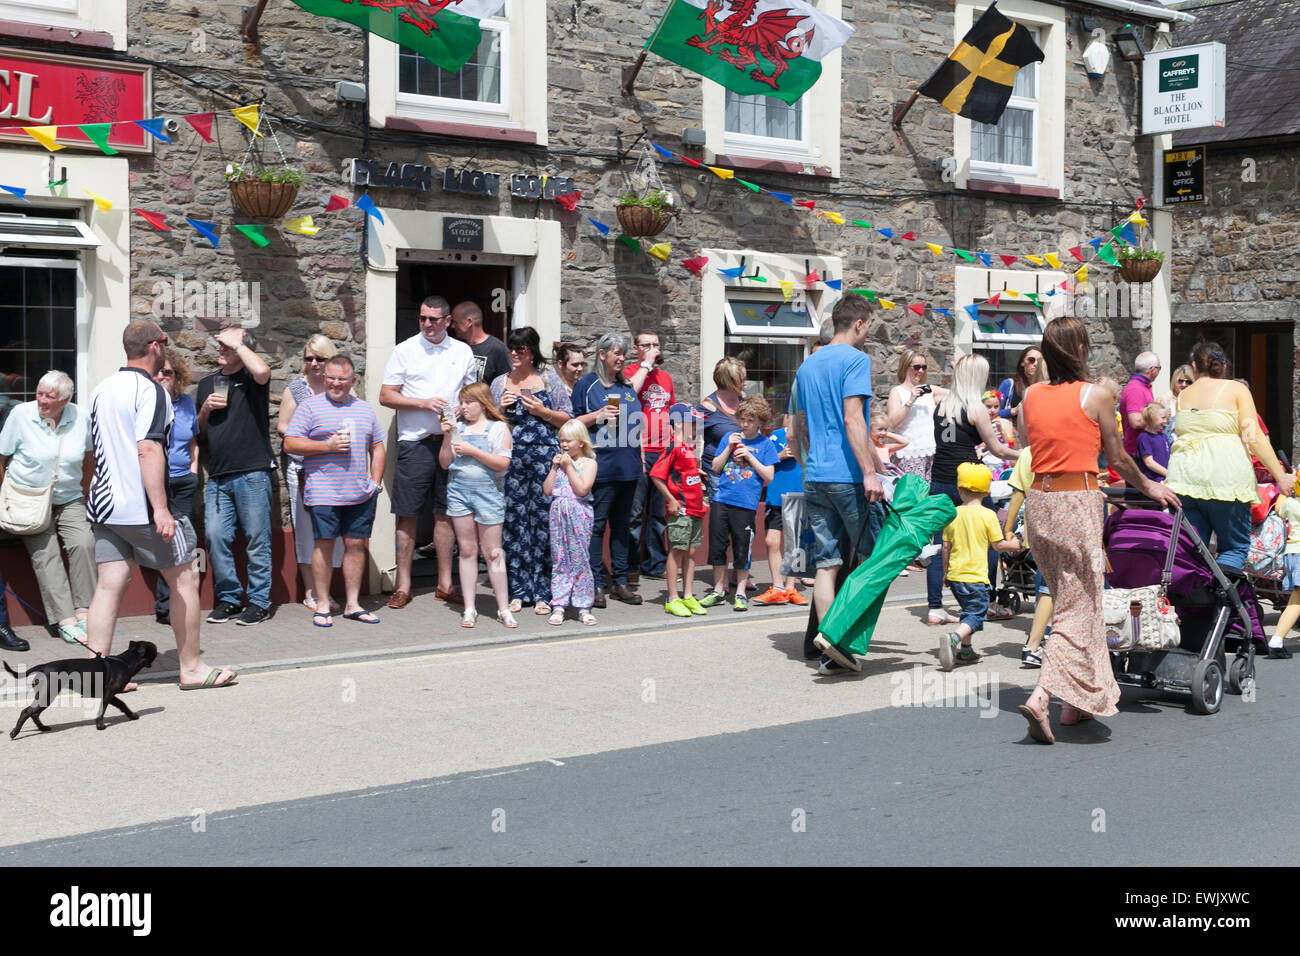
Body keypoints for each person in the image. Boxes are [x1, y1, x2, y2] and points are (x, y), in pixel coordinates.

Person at [1016, 317, 1178, 744]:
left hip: (1039, 501)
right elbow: (1120, 458)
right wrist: (1149, 487)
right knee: (1079, 606)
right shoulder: (1098, 395)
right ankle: (1042, 694)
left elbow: (1024, 441)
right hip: (1077, 500)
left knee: (1073, 597)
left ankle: (1078, 703)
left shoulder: (1030, 394)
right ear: (1080, 349)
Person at [85, 320, 236, 690]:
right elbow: (149, 448)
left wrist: (90, 495)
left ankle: (97, 675)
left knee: (109, 585)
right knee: (185, 578)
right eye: (164, 346)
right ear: (156, 345)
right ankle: (192, 668)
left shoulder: (101, 389)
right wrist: (161, 509)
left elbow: (90, 452)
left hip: (104, 506)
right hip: (142, 508)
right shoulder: (151, 391)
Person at [788, 295, 886, 675]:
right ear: (859, 323)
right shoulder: (857, 361)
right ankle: (844, 636)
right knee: (873, 560)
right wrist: (869, 472)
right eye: (870, 325)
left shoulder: (808, 365)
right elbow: (853, 420)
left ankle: (830, 643)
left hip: (815, 475)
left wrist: (808, 465)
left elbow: (798, 428)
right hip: (847, 476)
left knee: (827, 563)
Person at [380, 295, 477, 609]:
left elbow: (470, 394)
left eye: (433, 319)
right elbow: (385, 396)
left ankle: (445, 584)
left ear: (448, 321)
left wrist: (463, 409)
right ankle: (404, 585)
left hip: (451, 441)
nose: (426, 324)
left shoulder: (462, 351)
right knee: (407, 513)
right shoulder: (405, 350)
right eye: (423, 318)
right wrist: (424, 402)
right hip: (415, 442)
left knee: (445, 513)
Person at [1165, 341, 1294, 577]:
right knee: (1234, 548)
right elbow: (1252, 435)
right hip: (1226, 480)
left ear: (1194, 366)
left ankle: (1195, 607)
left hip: (1184, 480)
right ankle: (1223, 604)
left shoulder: (1183, 396)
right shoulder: (1236, 390)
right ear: (1223, 366)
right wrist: (1280, 475)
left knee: (1193, 550)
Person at [284, 355, 385, 627]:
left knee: (354, 545)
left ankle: (352, 604)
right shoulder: (309, 407)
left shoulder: (364, 409)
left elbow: (377, 447)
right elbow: (290, 444)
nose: (335, 383)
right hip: (323, 491)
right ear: (324, 378)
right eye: (331, 378)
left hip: (360, 492)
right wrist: (325, 447)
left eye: (342, 379)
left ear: (353, 381)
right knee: (324, 545)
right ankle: (324, 602)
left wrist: (375, 483)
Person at [0, 370, 95, 642]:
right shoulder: (20, 415)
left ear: (64, 400)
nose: (42, 400)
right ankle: (64, 619)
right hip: (29, 500)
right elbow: (2, 457)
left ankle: (85, 612)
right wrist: (9, 494)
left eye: (49, 397)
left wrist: (84, 491)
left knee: (84, 542)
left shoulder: (80, 417)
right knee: (47, 555)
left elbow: (88, 458)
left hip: (69, 497)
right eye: (39, 394)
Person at [926, 353, 1019, 627]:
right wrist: (1024, 454)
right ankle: (986, 601)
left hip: (940, 478)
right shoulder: (975, 407)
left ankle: (935, 608)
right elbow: (997, 449)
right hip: (969, 480)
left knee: (938, 543)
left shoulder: (942, 405)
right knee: (990, 539)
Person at [195, 327, 276, 627]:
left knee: (257, 540)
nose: (220, 348)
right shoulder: (207, 383)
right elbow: (200, 434)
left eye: (226, 345)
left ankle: (258, 602)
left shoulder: (253, 379)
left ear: (243, 348)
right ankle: (229, 598)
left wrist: (238, 344)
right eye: (221, 345)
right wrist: (203, 410)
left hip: (253, 472)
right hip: (218, 475)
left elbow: (263, 370)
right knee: (216, 538)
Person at [491, 326, 572, 615]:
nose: (514, 353)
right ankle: (519, 590)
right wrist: (499, 409)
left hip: (543, 460)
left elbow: (567, 419)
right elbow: (491, 425)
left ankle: (544, 591)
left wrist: (542, 412)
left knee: (543, 524)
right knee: (514, 524)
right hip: (512, 461)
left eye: (520, 349)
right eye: (511, 348)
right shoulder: (500, 383)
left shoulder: (549, 380)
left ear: (532, 351)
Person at [570, 332, 643, 607]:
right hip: (600, 466)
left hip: (629, 467)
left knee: (622, 527)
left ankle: (620, 583)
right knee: (597, 527)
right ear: (602, 355)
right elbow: (572, 423)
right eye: (617, 354)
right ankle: (596, 584)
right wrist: (597, 416)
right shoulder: (587, 385)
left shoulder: (626, 386)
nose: (622, 359)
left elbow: (636, 426)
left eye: (624, 354)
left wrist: (641, 459)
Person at [439, 382, 516, 628]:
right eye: (461, 402)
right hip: (459, 492)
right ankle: (470, 608)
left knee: (493, 552)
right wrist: (446, 436)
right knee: (467, 550)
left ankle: (503, 607)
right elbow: (444, 463)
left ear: (482, 403)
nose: (463, 407)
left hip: (488, 493)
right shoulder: (457, 428)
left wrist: (472, 450)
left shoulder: (498, 428)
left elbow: (502, 463)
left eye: (467, 402)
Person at [277, 334, 344, 613]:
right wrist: (315, 440)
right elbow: (283, 427)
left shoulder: (341, 389)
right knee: (306, 530)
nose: (314, 363)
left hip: (336, 470)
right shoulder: (296, 389)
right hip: (304, 469)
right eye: (309, 358)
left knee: (333, 532)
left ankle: (325, 590)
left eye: (320, 358)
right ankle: (311, 591)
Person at [938, 462, 1021, 670]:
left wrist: (945, 573)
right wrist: (1014, 544)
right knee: (977, 614)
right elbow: (998, 545)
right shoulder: (988, 515)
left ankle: (966, 651)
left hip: (956, 576)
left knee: (968, 611)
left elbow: (946, 547)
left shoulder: (953, 515)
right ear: (986, 492)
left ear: (959, 489)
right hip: (976, 577)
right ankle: (954, 638)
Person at [699, 395, 778, 611]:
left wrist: (751, 457)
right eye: (742, 419)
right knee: (717, 546)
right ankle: (717, 590)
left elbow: (769, 477)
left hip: (746, 504)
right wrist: (729, 447)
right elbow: (715, 467)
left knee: (743, 547)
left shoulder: (765, 445)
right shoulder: (730, 437)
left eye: (750, 421)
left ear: (760, 422)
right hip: (722, 499)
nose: (745, 424)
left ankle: (741, 592)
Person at [650, 403, 709, 617]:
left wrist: (697, 472)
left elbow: (683, 471)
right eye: (693, 421)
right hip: (681, 508)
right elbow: (657, 475)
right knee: (677, 550)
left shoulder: (688, 446)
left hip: (695, 507)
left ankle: (688, 595)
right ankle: (672, 597)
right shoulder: (672, 445)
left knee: (691, 551)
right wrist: (671, 500)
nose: (696, 426)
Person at [153, 350, 198, 626]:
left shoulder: (187, 404)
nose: (162, 376)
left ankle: (173, 604)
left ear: (176, 376)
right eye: (157, 372)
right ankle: (164, 606)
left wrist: (193, 471)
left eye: (167, 372)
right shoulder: (147, 403)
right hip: (158, 483)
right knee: (164, 541)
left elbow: (193, 440)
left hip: (183, 481)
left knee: (182, 543)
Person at [626, 328, 675, 580]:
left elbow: (670, 411)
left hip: (663, 451)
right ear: (636, 348)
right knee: (634, 513)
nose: (654, 349)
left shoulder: (665, 377)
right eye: (647, 345)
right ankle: (632, 566)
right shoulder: (630, 373)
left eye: (656, 344)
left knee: (659, 513)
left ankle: (655, 565)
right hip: (639, 451)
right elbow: (628, 396)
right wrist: (645, 366)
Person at [545, 419, 598, 626]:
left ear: (581, 442)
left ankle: (583, 605)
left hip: (578, 511)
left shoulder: (588, 463)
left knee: (579, 559)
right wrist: (554, 467)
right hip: (558, 511)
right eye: (561, 441)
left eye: (568, 441)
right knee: (560, 558)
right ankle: (558, 603)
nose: (564, 445)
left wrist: (568, 467)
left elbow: (583, 489)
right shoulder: (560, 464)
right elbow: (548, 490)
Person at [752, 418, 810, 607]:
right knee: (771, 541)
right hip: (776, 496)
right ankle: (777, 587)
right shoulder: (776, 435)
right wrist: (782, 455)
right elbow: (763, 461)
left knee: (795, 543)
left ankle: (791, 587)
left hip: (799, 493)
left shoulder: (809, 435)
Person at [1003, 444, 1052, 667]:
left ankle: (1038, 641)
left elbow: (1018, 493)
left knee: (1046, 585)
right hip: (1067, 523)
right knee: (1050, 587)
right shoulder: (1069, 446)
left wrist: (1007, 527)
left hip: (1038, 527)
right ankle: (1038, 642)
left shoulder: (1030, 451)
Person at [886, 349, 947, 482]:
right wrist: (910, 401)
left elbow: (955, 394)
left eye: (924, 367)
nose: (921, 371)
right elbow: (892, 423)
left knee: (927, 495)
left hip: (931, 451)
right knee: (913, 497)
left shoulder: (929, 390)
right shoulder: (897, 392)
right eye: (917, 367)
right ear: (905, 367)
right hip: (910, 453)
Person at [697, 356, 746, 501]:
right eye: (742, 380)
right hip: (718, 474)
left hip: (743, 471)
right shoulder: (708, 407)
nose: (745, 383)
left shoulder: (743, 401)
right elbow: (686, 435)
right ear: (730, 381)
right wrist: (691, 466)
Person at [1266, 490, 1300, 659]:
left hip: (1292, 554)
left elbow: (1279, 509)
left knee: (1296, 600)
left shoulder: (1292, 505)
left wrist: (1284, 491)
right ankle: (1277, 640)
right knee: (1297, 602)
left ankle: (1277, 639)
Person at [451, 300, 511, 385]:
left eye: (455, 322)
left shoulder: (497, 349)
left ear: (469, 322)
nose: (452, 326)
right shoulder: (455, 346)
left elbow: (507, 383)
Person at [1119, 351, 1160, 462]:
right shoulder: (1136, 389)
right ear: (1153, 370)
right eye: (1159, 368)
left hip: (1144, 450)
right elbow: (1136, 421)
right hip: (1138, 452)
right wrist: (1160, 417)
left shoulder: (1142, 386)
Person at [996, 345, 1047, 424]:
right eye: (1031, 360)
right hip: (1011, 434)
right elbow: (991, 412)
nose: (1035, 364)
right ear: (1022, 363)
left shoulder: (1046, 387)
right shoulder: (1009, 385)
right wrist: (1013, 411)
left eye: (1039, 361)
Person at [1159, 363, 1194, 443]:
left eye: (1188, 382)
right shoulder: (1165, 400)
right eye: (1180, 381)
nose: (1184, 384)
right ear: (1175, 381)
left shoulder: (1196, 401)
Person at [1136, 402, 1171, 481]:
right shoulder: (1144, 438)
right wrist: (1168, 474)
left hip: (1164, 478)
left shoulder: (1163, 436)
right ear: (1152, 417)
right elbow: (1149, 462)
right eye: (1163, 418)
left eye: (1166, 418)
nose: (1166, 421)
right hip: (1153, 480)